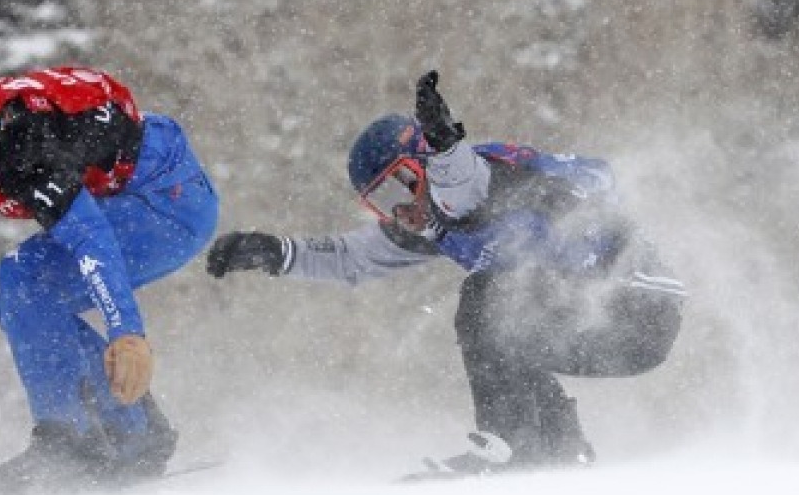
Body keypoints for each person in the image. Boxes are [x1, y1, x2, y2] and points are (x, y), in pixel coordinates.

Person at [206, 71, 685, 472]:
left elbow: (464, 183)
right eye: (381, 202)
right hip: (608, 325)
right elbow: (354, 258)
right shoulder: (430, 217)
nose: (398, 210)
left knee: (489, 299)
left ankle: (512, 447)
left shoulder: (478, 185)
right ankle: (559, 449)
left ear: (423, 165)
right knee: (508, 331)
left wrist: (444, 144)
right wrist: (274, 252)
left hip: (632, 307)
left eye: (400, 186)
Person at [0, 62, 218, 495]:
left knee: (23, 282)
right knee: (16, 301)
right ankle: (133, 433)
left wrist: (127, 332)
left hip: (169, 203)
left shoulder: (16, 140)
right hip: (128, 202)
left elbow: (90, 237)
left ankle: (73, 446)